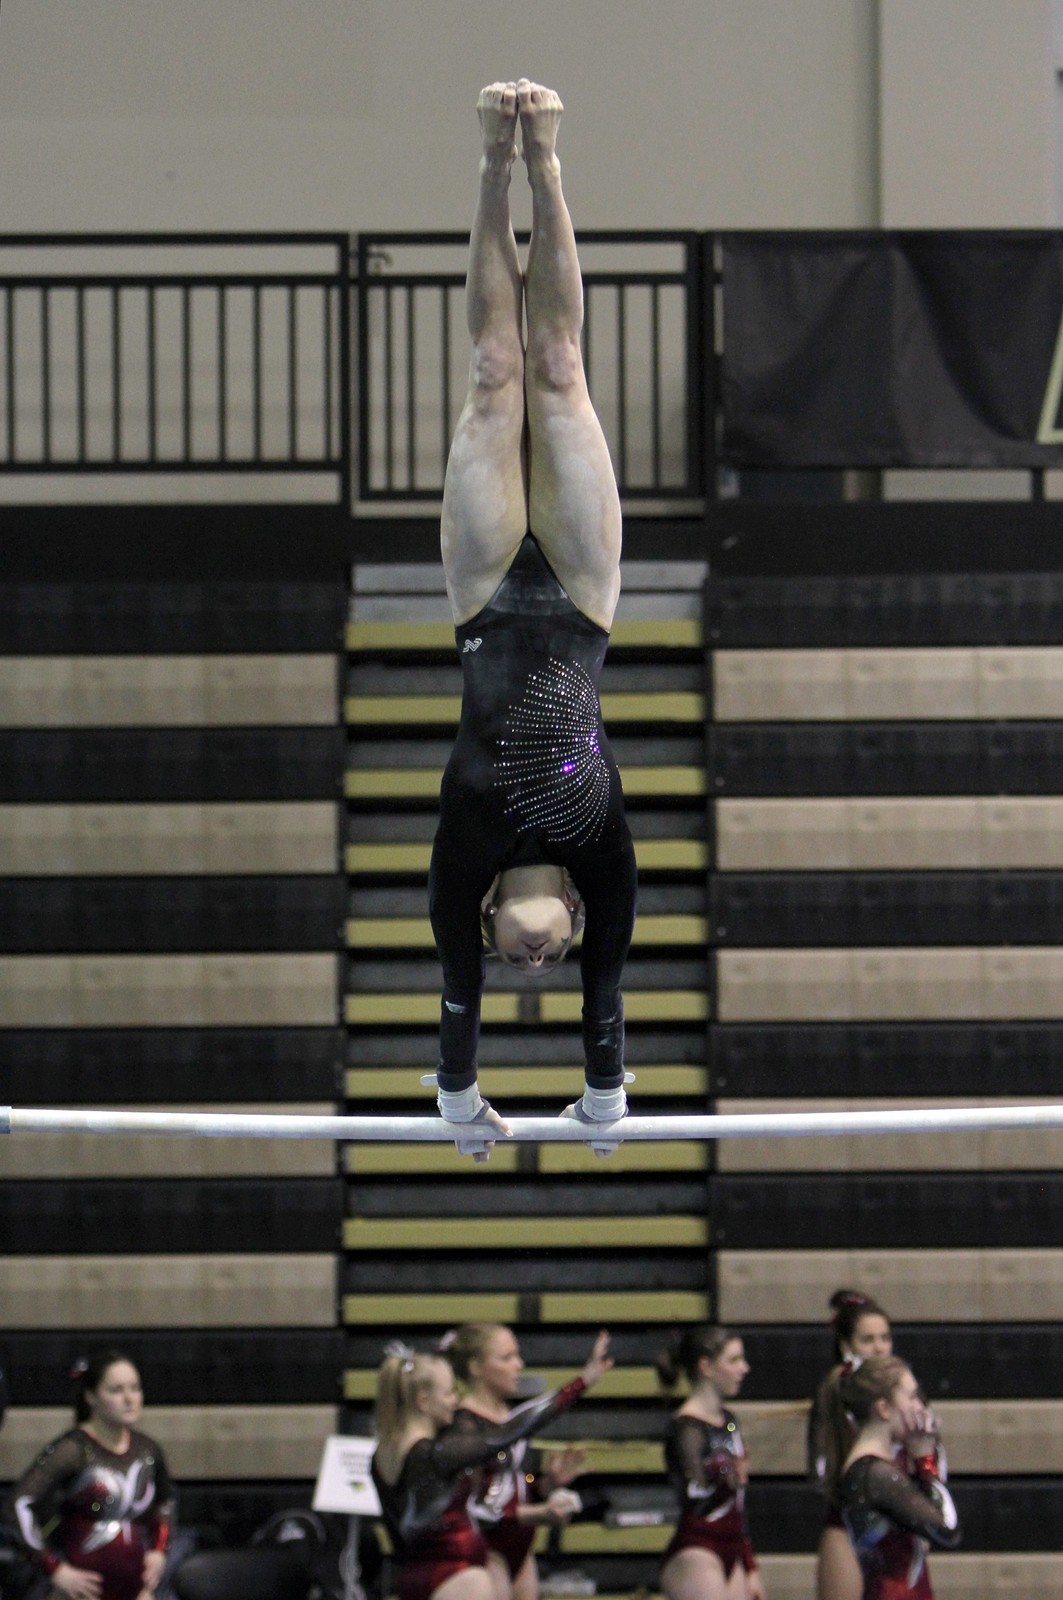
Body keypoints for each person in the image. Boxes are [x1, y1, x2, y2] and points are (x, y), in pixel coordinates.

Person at [426, 79, 637, 1160]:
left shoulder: (467, 854)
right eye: (547, 962)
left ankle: (495, 164)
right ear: (579, 922)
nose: (532, 964)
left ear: (487, 924)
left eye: (519, 961)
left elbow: (455, 995)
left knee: (493, 370)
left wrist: (460, 1099)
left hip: (480, 598)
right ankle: (545, 161)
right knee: (557, 372)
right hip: (584, 597)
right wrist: (601, 1096)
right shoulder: (596, 850)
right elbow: (607, 989)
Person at [370, 1332, 612, 1600]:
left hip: (413, 1577)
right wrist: (579, 1384)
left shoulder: (381, 1455)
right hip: (458, 1576)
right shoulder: (437, 1454)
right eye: (449, 1393)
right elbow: (512, 1430)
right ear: (423, 1401)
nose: (454, 1400)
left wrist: (543, 1485)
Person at [9, 1350, 174, 1600]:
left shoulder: (147, 1450)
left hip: (136, 1592)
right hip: (81, 1594)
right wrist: (54, 1568)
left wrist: (159, 1550)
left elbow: (166, 1500)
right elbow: (18, 1505)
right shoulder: (72, 1450)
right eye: (117, 1390)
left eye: (135, 1388)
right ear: (91, 1397)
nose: (130, 1398)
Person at [442, 1324, 588, 1600]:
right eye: (506, 1358)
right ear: (475, 1367)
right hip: (486, 1546)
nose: (518, 1365)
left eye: (517, 1356)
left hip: (520, 1546)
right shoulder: (465, 1427)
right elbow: (478, 1507)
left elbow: (516, 1482)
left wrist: (545, 1484)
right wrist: (540, 1513)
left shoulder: (510, 1418)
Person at [824, 1357, 959, 1600]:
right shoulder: (876, 1474)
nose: (921, 1407)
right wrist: (925, 1461)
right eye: (912, 1397)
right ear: (883, 1408)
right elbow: (948, 1530)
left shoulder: (876, 1470)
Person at [657, 1326, 765, 1600]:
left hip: (732, 1547)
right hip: (698, 1548)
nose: (745, 1368)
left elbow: (738, 1503)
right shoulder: (686, 1429)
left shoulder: (729, 1420)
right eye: (734, 1360)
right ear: (706, 1367)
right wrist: (727, 1475)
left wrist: (750, 1566)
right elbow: (695, 1496)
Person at [808, 1291, 894, 1600]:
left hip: (899, 1532)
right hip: (848, 1528)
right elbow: (819, 1473)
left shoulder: (905, 1393)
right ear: (846, 1346)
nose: (879, 1347)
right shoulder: (834, 1393)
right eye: (868, 1339)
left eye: (885, 1337)